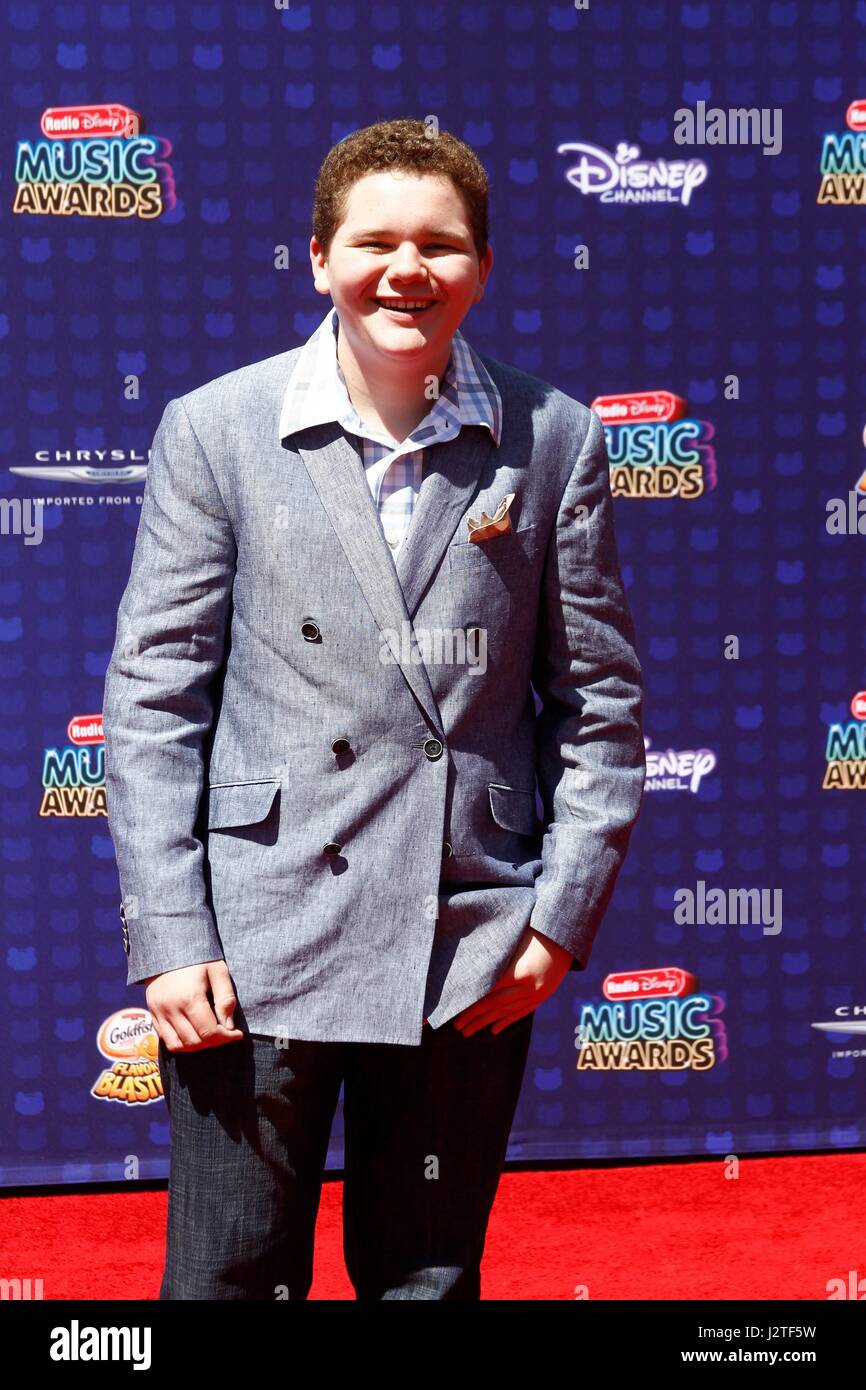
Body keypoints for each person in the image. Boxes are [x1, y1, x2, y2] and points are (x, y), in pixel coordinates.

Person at [102, 117, 646, 1301]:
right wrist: (172, 932)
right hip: (256, 940)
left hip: (463, 943)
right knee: (226, 1280)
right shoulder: (215, 430)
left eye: (440, 245)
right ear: (317, 257)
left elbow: (597, 706)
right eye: (375, 241)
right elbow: (152, 701)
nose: (407, 269)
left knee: (426, 1279)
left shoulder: (552, 438)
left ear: (481, 270)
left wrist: (554, 920)